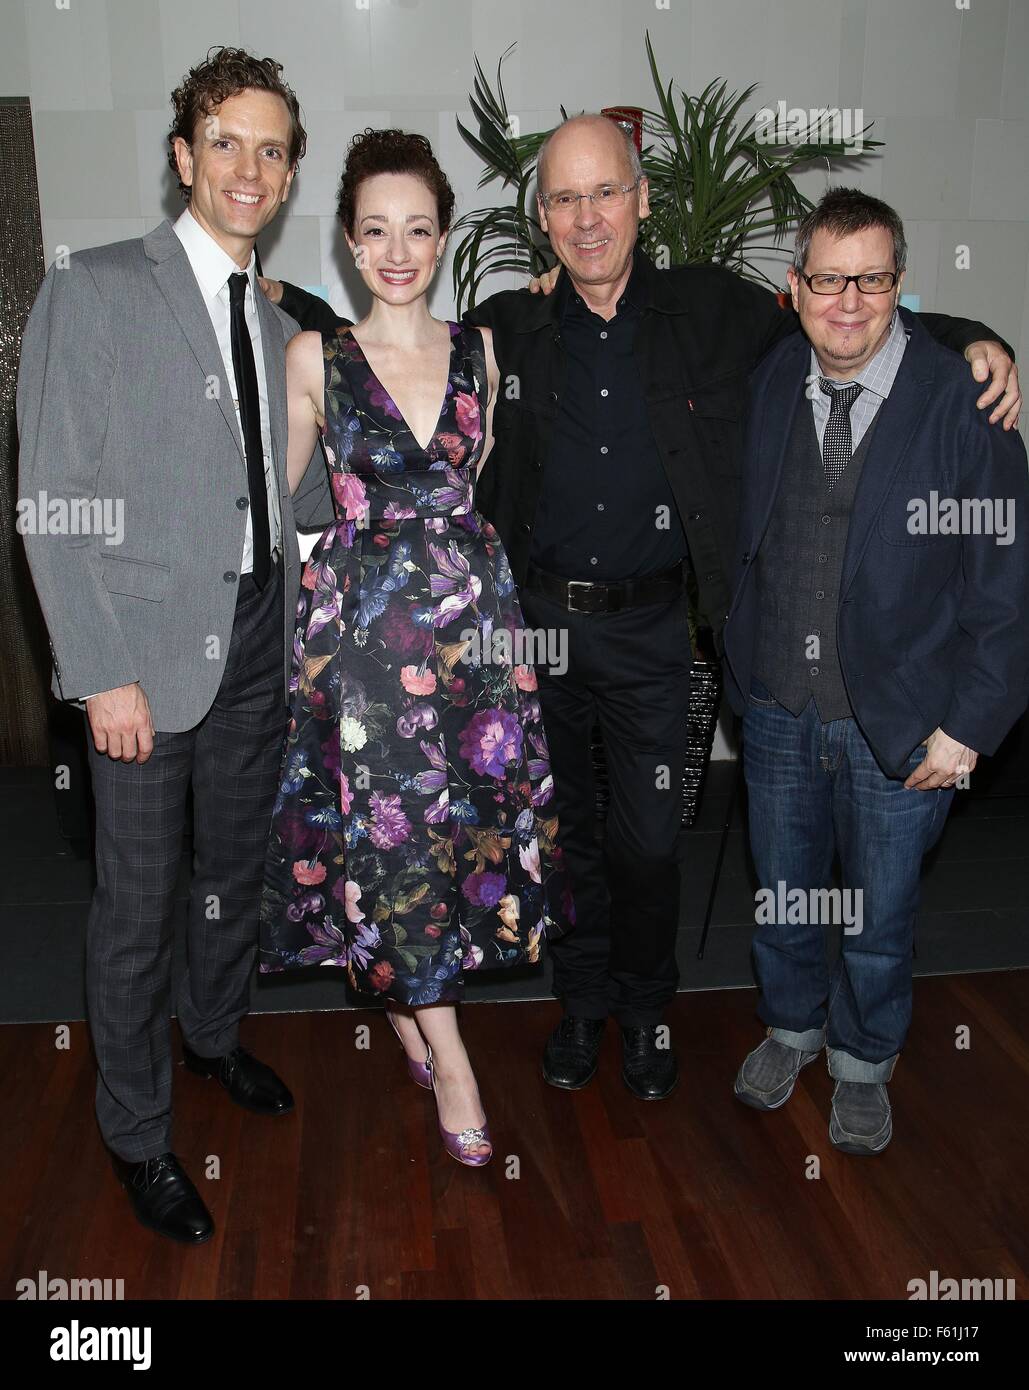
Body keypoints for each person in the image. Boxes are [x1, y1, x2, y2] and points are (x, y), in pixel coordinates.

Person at [266, 112, 1020, 1104]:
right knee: (564, 832)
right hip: (531, 627)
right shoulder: (509, 325)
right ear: (543, 219)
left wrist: (977, 340)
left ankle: (648, 1008)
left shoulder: (715, 307)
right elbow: (377, 356)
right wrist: (278, 298)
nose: (588, 219)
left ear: (642, 198)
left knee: (651, 839)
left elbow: (848, 311)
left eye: (606, 192)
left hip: (657, 627)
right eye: (567, 199)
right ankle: (582, 1010)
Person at [16, 47, 328, 1243]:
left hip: (257, 636)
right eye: (226, 142)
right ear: (183, 155)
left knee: (230, 880)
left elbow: (277, 494)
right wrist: (99, 672)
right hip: (140, 656)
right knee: (137, 909)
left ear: (289, 172)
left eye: (272, 148)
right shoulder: (93, 290)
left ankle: (212, 1041)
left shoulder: (283, 319)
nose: (249, 167)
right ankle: (138, 1134)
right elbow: (53, 502)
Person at [258, 129, 572, 1166]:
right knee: (389, 843)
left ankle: (405, 1007)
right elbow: (267, 508)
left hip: (475, 639)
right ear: (349, 241)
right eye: (376, 230)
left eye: (419, 228)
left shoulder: (484, 348)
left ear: (442, 237)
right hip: (362, 647)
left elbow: (477, 493)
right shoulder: (315, 356)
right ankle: (455, 1062)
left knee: (451, 843)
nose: (398, 250)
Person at [723, 187, 1029, 1153]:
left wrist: (971, 725)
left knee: (879, 912)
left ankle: (862, 1059)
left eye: (871, 278)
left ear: (900, 284)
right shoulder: (773, 382)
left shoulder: (965, 404)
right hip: (774, 704)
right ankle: (791, 1027)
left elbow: (1005, 588)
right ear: (794, 287)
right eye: (827, 279)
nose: (847, 301)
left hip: (901, 721)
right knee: (783, 893)